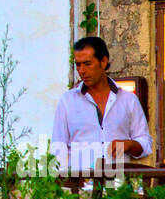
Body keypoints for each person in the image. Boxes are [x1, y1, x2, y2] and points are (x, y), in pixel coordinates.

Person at [50, 37, 152, 173]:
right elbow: (58, 149)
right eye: (78, 65)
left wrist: (130, 144)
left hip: (117, 187)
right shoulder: (67, 101)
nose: (81, 70)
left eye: (87, 64)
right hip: (80, 187)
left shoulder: (128, 99)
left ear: (103, 62)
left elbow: (145, 143)